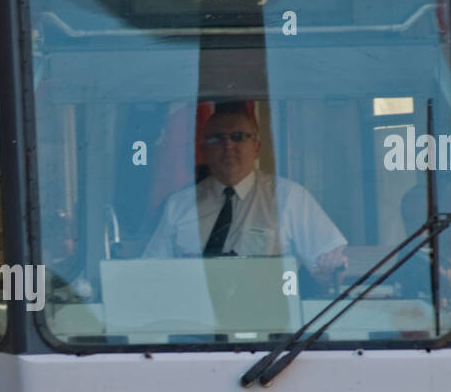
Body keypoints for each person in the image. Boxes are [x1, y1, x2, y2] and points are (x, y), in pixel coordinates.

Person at [142, 101, 348, 284]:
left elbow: (329, 267)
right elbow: (151, 273)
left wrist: (329, 271)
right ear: (203, 150)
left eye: (238, 137)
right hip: (196, 321)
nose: (228, 145)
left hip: (270, 320)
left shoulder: (289, 198)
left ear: (256, 148)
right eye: (216, 139)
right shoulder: (179, 205)